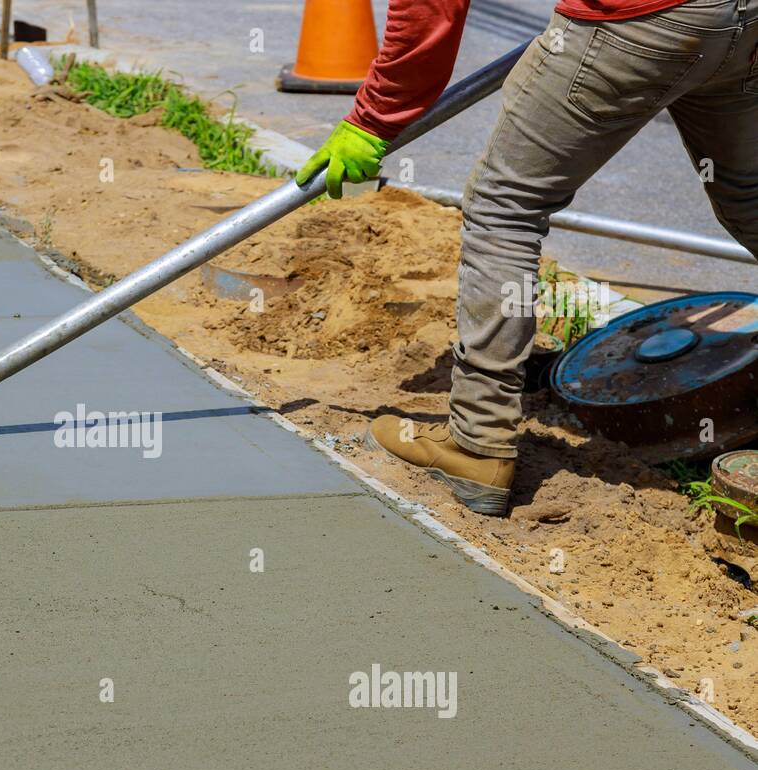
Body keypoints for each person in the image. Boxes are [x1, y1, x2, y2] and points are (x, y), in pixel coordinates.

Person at [297, 0, 758, 515]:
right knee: (751, 199)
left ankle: (477, 444)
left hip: (639, 19)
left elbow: (432, 7)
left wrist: (375, 115)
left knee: (505, 205)